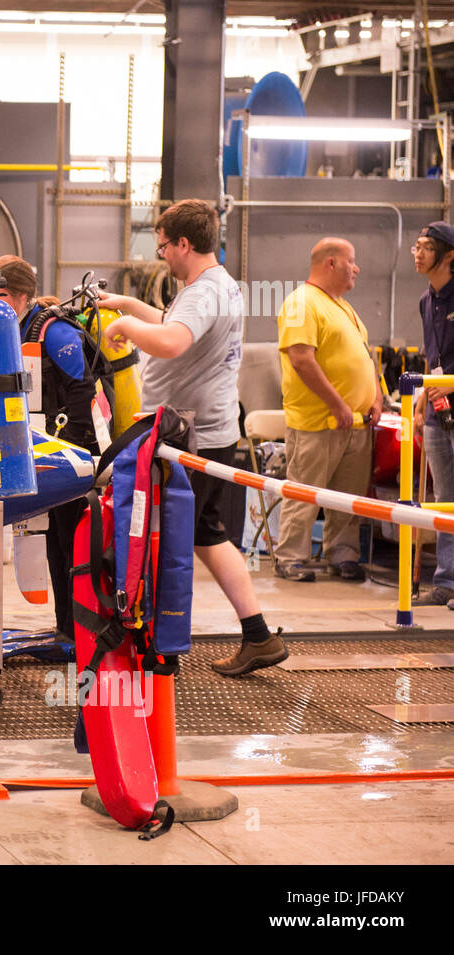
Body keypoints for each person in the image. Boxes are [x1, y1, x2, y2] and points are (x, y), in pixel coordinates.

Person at [97, 199, 287, 677]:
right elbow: (170, 323)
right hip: (211, 431)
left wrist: (123, 327)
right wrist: (126, 305)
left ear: (184, 243)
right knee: (205, 534)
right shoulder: (213, 285)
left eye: (163, 247)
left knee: (163, 538)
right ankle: (258, 636)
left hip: (190, 437)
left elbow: (173, 340)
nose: (162, 256)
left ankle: (161, 649)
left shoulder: (204, 293)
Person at [0, 255, 99, 644]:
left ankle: (77, 634)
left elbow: (83, 387)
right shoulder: (15, 329)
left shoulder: (52, 329)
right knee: (53, 540)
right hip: (41, 453)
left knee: (71, 544)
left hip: (71, 457)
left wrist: (78, 457)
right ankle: (65, 629)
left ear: (21, 296)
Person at [272, 238, 382, 582]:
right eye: (352, 261)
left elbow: (366, 356)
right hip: (319, 422)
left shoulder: (343, 306)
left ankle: (343, 555)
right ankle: (289, 557)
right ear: (331, 264)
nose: (357, 268)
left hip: (357, 424)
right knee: (305, 492)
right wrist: (338, 403)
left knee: (347, 499)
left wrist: (377, 397)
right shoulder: (301, 303)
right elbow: (301, 359)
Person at [412, 221, 454, 607]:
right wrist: (423, 395)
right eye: (417, 245)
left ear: (449, 254)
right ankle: (447, 582)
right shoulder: (427, 300)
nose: (418, 252)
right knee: (444, 496)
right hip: (438, 411)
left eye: (427, 246)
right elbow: (431, 355)